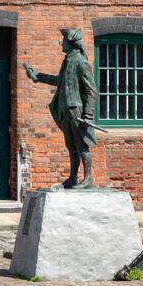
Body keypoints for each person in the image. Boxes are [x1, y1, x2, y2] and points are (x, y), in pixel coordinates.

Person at [23, 27, 98, 189]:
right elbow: (61, 81)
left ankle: (87, 179)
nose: (61, 43)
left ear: (70, 43)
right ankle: (73, 178)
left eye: (63, 41)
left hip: (76, 110)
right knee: (71, 146)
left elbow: (92, 91)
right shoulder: (68, 61)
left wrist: (88, 115)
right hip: (65, 110)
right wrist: (38, 77)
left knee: (81, 145)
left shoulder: (81, 62)